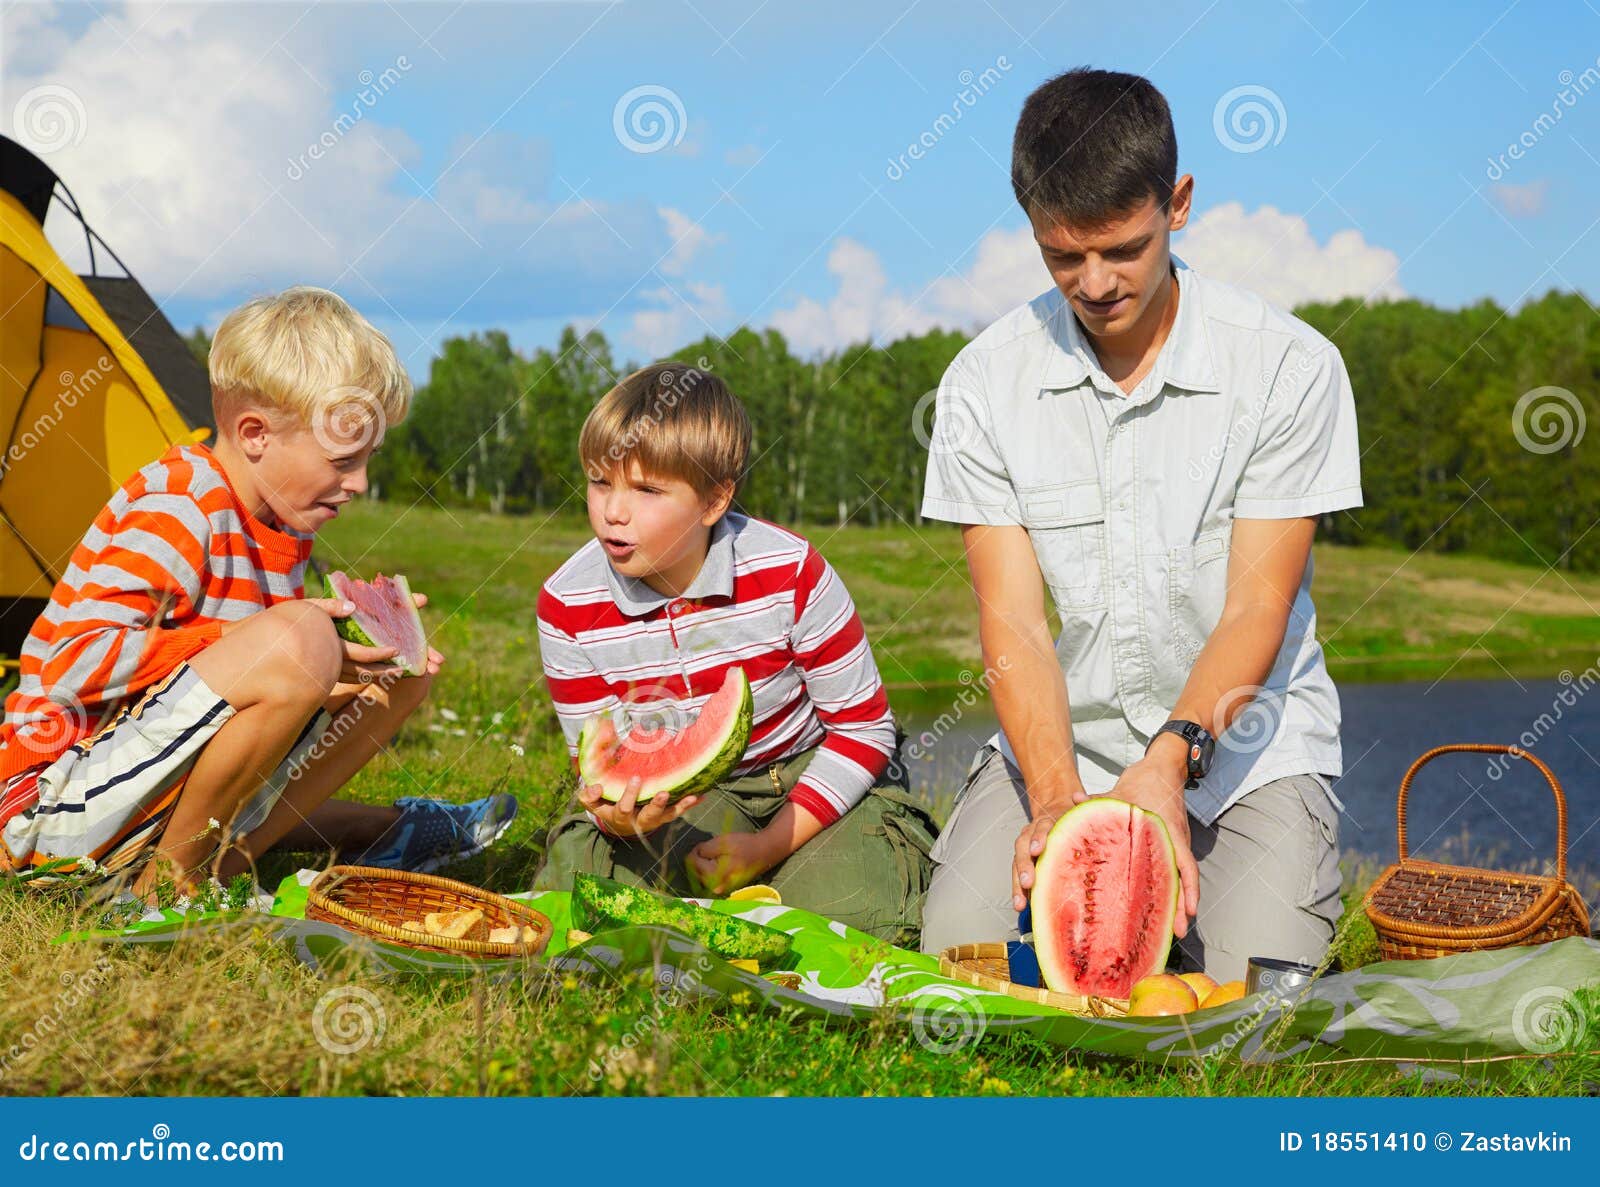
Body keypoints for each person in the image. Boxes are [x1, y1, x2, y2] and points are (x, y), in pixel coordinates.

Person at [917, 68, 1362, 981]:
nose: (1094, 282)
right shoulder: (980, 383)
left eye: (1121, 247)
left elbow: (1254, 608)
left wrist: (1169, 762)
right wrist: (1052, 799)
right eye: (1061, 256)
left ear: (1180, 203)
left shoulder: (1290, 368)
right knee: (966, 972)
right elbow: (1014, 622)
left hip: (1245, 755)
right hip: (1062, 752)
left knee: (1249, 1004)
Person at [0, 287, 515, 898]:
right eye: (342, 460)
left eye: (369, 459)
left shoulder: (278, 531)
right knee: (301, 638)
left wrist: (343, 678)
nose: (360, 483)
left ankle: (227, 866)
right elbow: (71, 662)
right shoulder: (183, 504)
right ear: (254, 434)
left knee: (401, 676)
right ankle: (167, 890)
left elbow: (231, 701)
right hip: (52, 809)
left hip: (145, 798)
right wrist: (261, 641)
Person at [532, 361, 935, 946]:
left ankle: (785, 886)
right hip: (678, 804)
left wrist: (767, 847)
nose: (612, 511)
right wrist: (613, 819)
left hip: (806, 779)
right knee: (581, 896)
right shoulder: (567, 604)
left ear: (714, 500)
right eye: (600, 481)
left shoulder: (790, 570)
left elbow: (865, 730)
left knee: (855, 919)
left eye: (646, 490)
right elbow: (595, 758)